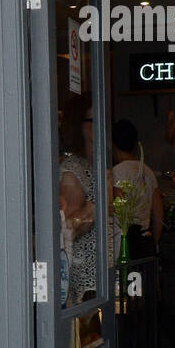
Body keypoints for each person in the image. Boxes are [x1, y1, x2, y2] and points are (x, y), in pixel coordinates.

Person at [59, 96, 97, 305]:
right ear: (80, 126)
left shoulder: (96, 164)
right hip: (85, 280)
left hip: (103, 271)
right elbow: (68, 229)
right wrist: (96, 206)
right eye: (94, 120)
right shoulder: (73, 170)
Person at [110, 118, 163, 259]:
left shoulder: (115, 173)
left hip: (121, 246)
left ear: (112, 144)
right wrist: (154, 244)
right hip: (145, 241)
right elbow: (158, 215)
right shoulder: (148, 171)